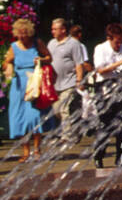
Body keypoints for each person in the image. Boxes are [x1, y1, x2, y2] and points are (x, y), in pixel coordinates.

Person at [3, 18, 51, 161]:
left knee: (34, 117)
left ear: (29, 32)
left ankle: (37, 149)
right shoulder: (13, 47)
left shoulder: (37, 43)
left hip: (34, 82)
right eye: (19, 34)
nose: (22, 36)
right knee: (20, 118)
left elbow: (49, 57)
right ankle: (25, 151)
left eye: (24, 33)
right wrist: (9, 67)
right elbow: (7, 62)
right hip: (19, 86)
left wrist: (41, 60)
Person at [91, 23, 122, 173]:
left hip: (121, 88)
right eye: (116, 41)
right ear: (109, 38)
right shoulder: (100, 49)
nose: (119, 44)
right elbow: (101, 70)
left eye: (121, 40)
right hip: (104, 89)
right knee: (105, 125)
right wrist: (120, 63)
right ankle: (99, 156)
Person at [48, 17, 87, 140]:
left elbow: (78, 63)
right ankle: (74, 127)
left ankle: (66, 136)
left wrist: (79, 80)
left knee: (64, 109)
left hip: (69, 82)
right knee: (56, 111)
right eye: (52, 29)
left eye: (55, 29)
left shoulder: (74, 44)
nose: (52, 31)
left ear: (63, 30)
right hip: (55, 83)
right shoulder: (51, 43)